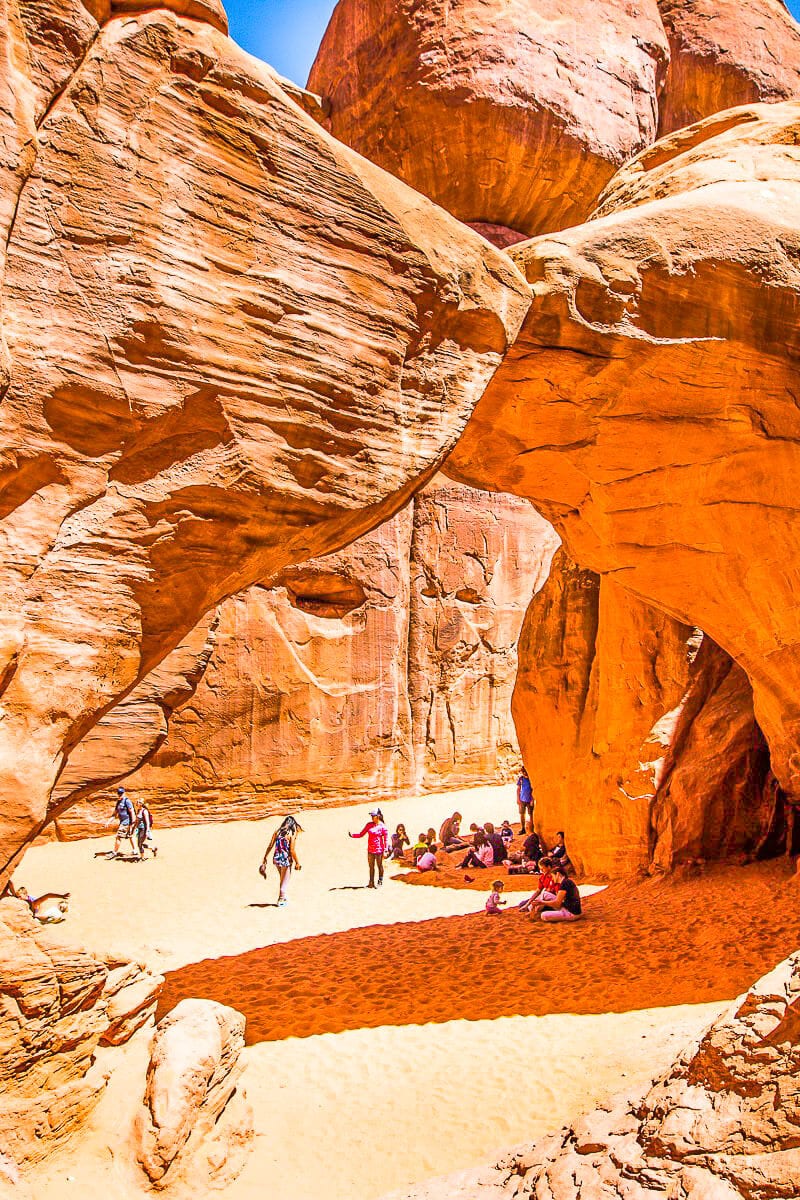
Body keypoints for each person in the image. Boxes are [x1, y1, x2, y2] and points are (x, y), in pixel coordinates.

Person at [260, 815, 302, 906]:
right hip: (286, 859)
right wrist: (297, 862)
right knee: (285, 880)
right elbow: (292, 850)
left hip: (276, 858)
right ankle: (281, 900)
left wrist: (265, 857)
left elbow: (270, 845)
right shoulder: (291, 834)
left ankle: (282, 897)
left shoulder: (277, 831)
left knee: (282, 878)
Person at [350, 809, 389, 888]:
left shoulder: (383, 827)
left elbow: (386, 840)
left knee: (379, 866)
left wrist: (385, 850)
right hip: (370, 850)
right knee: (371, 866)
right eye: (371, 816)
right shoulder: (369, 825)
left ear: (377, 816)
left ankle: (380, 881)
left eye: (373, 816)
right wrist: (353, 835)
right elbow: (361, 834)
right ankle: (371, 883)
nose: (372, 817)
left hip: (379, 850)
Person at [113, 786, 138, 859]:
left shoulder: (127, 801)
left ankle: (114, 852)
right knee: (131, 836)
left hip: (126, 822)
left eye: (121, 793)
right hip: (124, 822)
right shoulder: (118, 802)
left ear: (124, 793)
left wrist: (133, 822)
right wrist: (109, 821)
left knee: (118, 837)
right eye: (118, 793)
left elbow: (132, 811)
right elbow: (115, 813)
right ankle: (135, 850)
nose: (119, 794)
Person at [517, 766, 534, 834]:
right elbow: (518, 789)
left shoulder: (531, 779)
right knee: (522, 814)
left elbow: (533, 789)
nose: (524, 773)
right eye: (523, 772)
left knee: (531, 814)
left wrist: (532, 799)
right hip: (522, 799)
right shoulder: (521, 779)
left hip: (529, 799)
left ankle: (532, 829)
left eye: (525, 772)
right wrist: (518, 798)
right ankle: (523, 828)